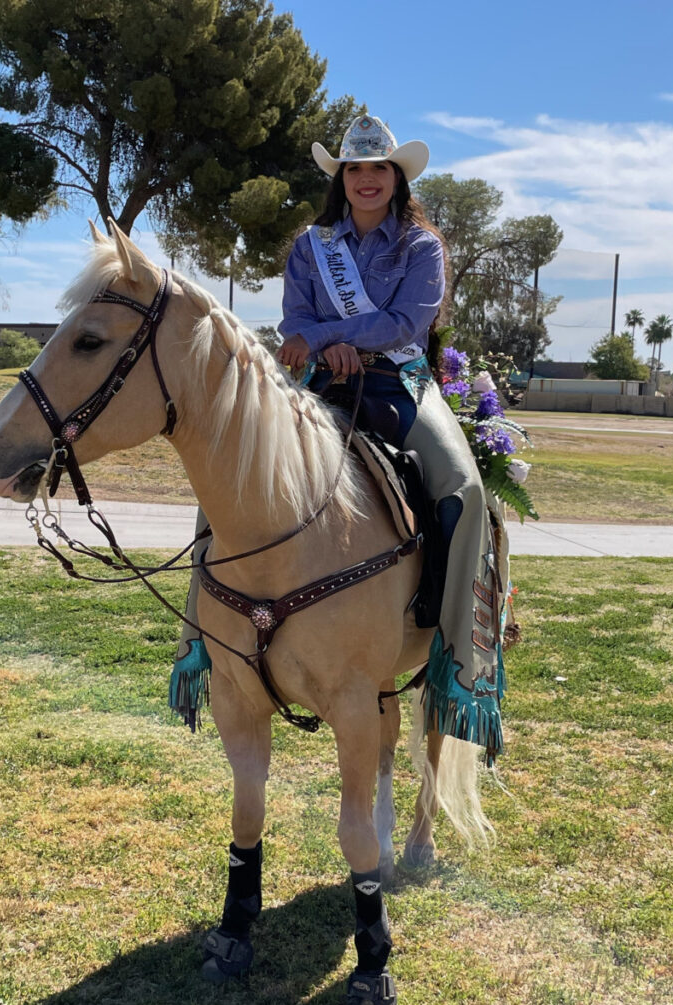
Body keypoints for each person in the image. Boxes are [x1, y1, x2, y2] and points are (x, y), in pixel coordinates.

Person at [172, 115, 507, 766]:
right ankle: (200, 640)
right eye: (355, 169)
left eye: (378, 168)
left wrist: (331, 337)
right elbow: (294, 314)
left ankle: (456, 648)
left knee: (464, 489)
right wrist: (321, 341)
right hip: (322, 388)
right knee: (230, 476)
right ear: (342, 179)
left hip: (399, 387)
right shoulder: (311, 245)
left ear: (397, 177)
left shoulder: (420, 248)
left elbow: (405, 321)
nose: (366, 180)